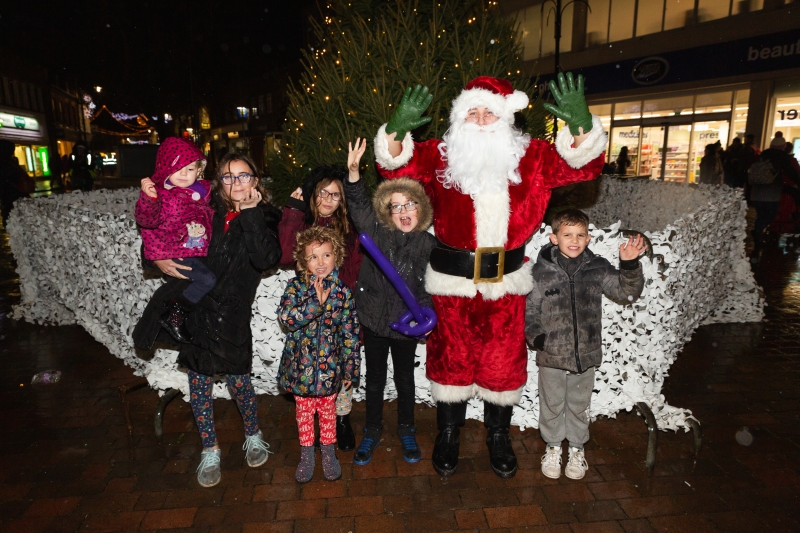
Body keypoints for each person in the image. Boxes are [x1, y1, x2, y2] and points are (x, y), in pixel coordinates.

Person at [374, 72, 607, 478]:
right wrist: (395, 129)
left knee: (503, 363)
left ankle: (498, 436)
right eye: (472, 113)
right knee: (452, 360)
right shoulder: (443, 155)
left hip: (506, 283)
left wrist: (582, 126)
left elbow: (581, 167)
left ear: (505, 118)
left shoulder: (532, 156)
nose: (481, 120)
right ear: (459, 118)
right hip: (452, 283)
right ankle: (449, 432)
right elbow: (395, 165)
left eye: (489, 113)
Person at [132, 152, 282, 488]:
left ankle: (253, 434)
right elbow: (161, 231)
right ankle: (209, 449)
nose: (236, 183)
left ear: (256, 181)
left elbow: (266, 258)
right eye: (228, 177)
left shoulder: (266, 216)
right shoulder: (202, 208)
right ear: (219, 183)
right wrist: (158, 260)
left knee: (239, 383)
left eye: (244, 175)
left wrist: (250, 213)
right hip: (197, 310)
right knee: (199, 384)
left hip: (232, 315)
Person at [526, 209, 645, 480]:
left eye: (580, 235)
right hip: (551, 355)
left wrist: (628, 265)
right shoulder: (540, 272)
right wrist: (537, 338)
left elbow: (626, 293)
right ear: (554, 238)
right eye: (567, 235)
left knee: (579, 405)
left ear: (588, 238)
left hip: (585, 354)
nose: (574, 240)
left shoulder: (597, 267)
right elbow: (530, 311)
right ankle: (553, 446)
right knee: (552, 403)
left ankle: (577, 449)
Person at [343, 138, 437, 465]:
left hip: (405, 324)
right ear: (387, 212)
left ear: (420, 208)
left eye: (409, 204)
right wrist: (354, 175)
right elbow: (358, 209)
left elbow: (429, 285)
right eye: (395, 206)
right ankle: (371, 429)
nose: (403, 211)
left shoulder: (426, 244)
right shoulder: (377, 233)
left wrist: (425, 313)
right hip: (374, 319)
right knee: (375, 379)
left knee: (405, 379)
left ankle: (406, 428)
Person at [278, 166, 363, 450]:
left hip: (338, 305)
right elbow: (285, 253)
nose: (328, 199)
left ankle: (341, 419)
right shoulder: (304, 222)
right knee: (312, 366)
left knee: (338, 364)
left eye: (335, 195)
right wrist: (293, 210)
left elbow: (357, 264)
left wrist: (348, 299)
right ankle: (312, 424)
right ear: (313, 195)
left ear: (342, 199)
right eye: (323, 193)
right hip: (308, 306)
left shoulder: (348, 227)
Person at [278, 226, 361, 483]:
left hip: (330, 370)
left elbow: (350, 333)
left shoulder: (342, 293)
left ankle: (328, 452)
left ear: (336, 256)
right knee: (304, 414)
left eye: (326, 255)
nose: (321, 262)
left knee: (328, 413)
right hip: (300, 369)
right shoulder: (295, 288)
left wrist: (350, 368)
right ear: (303, 261)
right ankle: (307, 455)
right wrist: (316, 303)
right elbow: (287, 319)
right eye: (313, 257)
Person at [135, 137, 216, 343]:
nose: (184, 174)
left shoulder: (202, 193)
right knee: (206, 280)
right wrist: (149, 199)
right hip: (176, 253)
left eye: (190, 169)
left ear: (199, 171)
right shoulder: (163, 195)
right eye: (177, 168)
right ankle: (174, 313)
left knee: (204, 285)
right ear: (166, 168)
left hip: (196, 251)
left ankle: (175, 315)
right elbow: (146, 219)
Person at [750, 135, 800, 263]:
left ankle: (757, 237)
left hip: (756, 192)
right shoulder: (782, 157)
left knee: (760, 214)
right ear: (783, 146)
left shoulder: (763, 154)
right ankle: (757, 232)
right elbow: (791, 172)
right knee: (770, 215)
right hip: (771, 192)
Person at [0, 140, 34, 224]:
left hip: (10, 197)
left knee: (12, 220)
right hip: (19, 195)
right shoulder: (12, 162)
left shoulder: (5, 164)